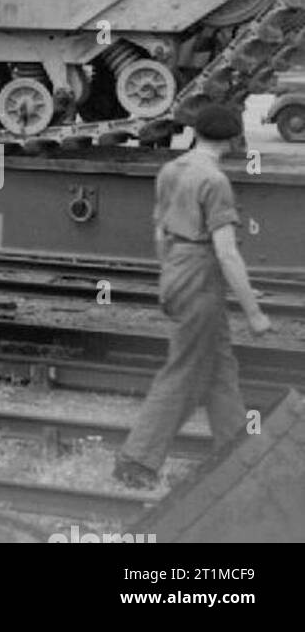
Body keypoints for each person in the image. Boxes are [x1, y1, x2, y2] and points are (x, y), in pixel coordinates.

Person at [112, 102, 272, 489]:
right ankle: (137, 461)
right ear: (234, 140)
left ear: (196, 133)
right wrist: (253, 312)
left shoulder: (171, 170)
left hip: (176, 269)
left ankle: (238, 459)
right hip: (201, 274)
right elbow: (227, 252)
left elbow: (158, 233)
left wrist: (173, 275)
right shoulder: (215, 182)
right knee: (183, 371)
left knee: (220, 370)